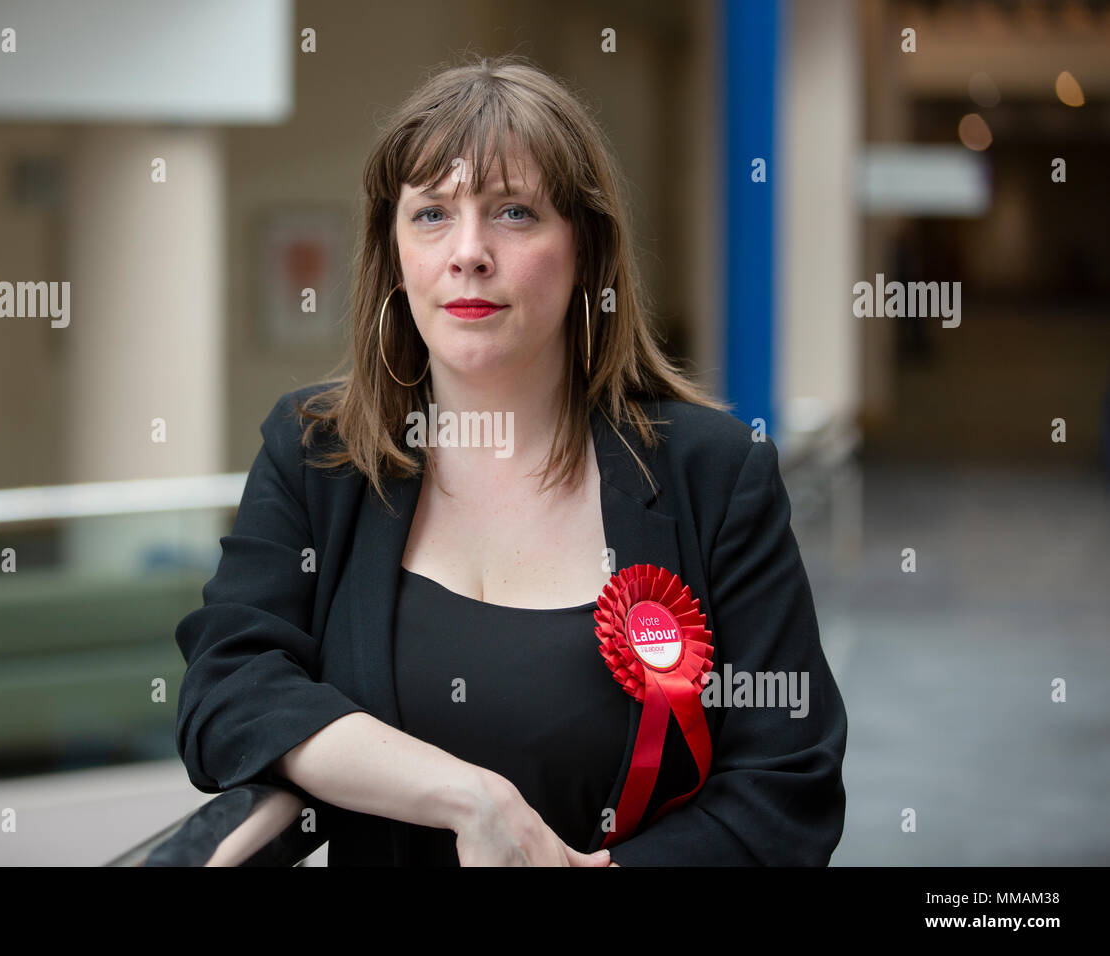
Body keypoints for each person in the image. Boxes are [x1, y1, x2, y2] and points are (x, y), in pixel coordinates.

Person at [173, 53, 847, 867]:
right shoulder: (318, 454)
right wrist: (471, 796)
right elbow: (227, 690)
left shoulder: (713, 473)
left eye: (515, 214)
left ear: (585, 252)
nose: (469, 252)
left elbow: (788, 787)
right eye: (431, 215)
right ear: (393, 256)